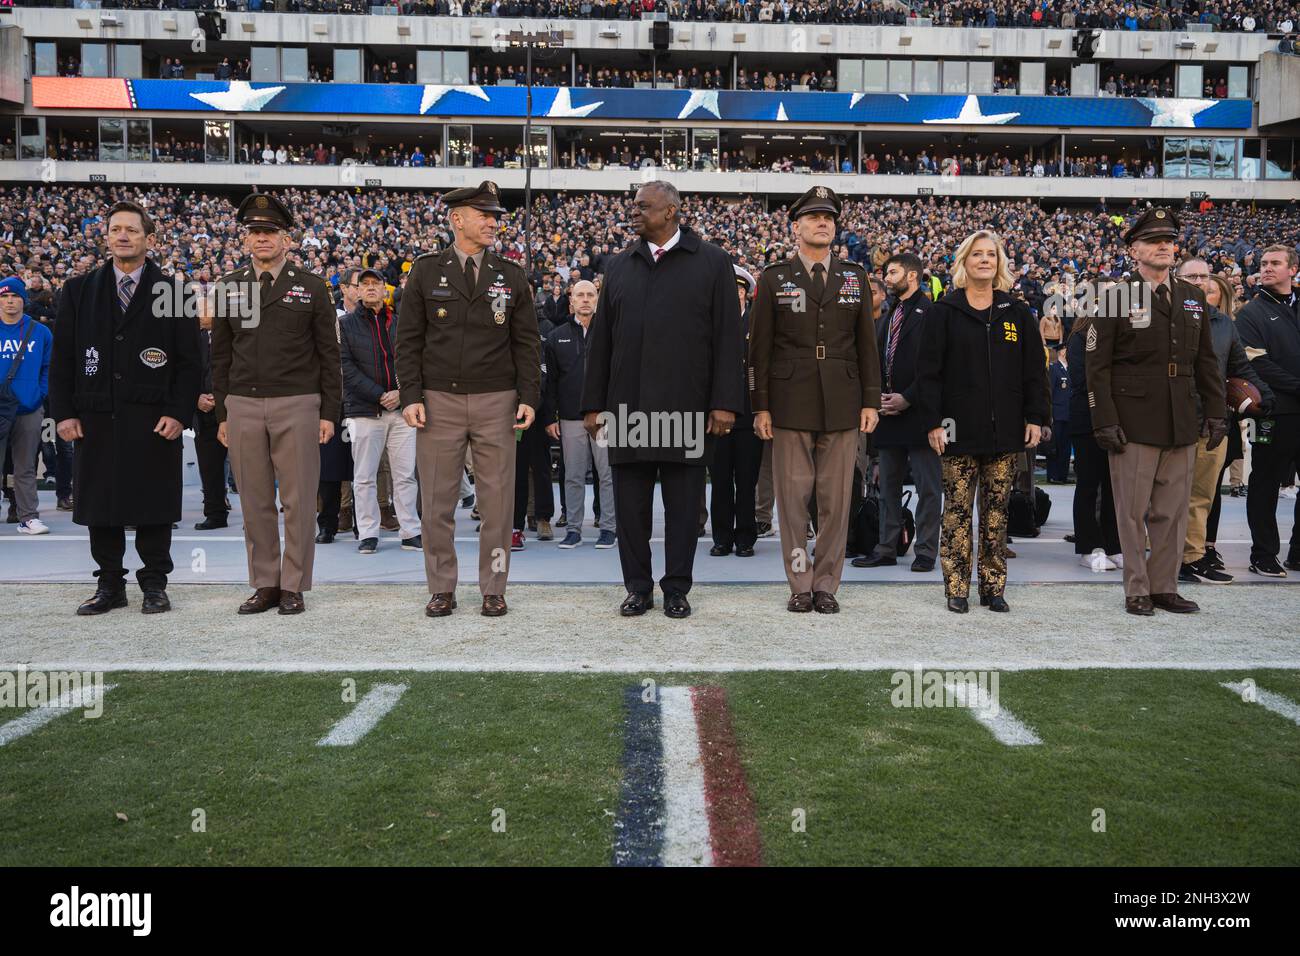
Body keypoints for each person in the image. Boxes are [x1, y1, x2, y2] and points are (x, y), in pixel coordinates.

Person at [580, 180, 743, 619]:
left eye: (642, 206)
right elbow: (601, 343)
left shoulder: (712, 262)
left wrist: (725, 402)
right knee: (631, 509)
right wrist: (593, 405)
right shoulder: (617, 266)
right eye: (633, 206)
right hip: (628, 409)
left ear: (671, 211)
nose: (633, 212)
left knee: (684, 508)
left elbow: (729, 339)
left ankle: (676, 588)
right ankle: (637, 588)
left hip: (687, 408)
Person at [395, 181, 539, 618]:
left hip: (497, 401)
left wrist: (529, 396)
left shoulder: (511, 276)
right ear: (457, 219)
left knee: (497, 503)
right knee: (437, 503)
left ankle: (493, 587)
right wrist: (411, 395)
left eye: (495, 216)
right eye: (485, 215)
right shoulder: (424, 271)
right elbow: (408, 341)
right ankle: (442, 587)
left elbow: (527, 343)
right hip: (439, 402)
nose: (494, 222)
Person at [49, 200, 200, 614]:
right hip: (95, 416)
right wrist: (63, 413)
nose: (122, 236)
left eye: (131, 230)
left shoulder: (174, 291)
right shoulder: (79, 291)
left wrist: (178, 412)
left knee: (153, 503)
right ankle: (109, 585)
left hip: (153, 418)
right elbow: (62, 358)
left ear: (149, 239)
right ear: (107, 237)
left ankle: (154, 583)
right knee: (101, 503)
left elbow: (190, 363)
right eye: (116, 229)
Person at [1085, 207, 1225, 615]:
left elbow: (1206, 363)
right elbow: (1097, 367)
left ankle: (1164, 586)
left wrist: (1216, 411)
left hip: (1181, 418)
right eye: (1153, 240)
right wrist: (1104, 418)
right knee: (1131, 513)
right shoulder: (1114, 297)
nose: (1164, 246)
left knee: (1172, 512)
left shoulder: (1192, 296)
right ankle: (1137, 589)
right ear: (1134, 249)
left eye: (1169, 240)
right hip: (1132, 421)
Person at [749, 186, 881, 613]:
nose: (823, 222)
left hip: (843, 400)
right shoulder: (773, 277)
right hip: (789, 401)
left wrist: (871, 401)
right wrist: (761, 406)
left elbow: (867, 345)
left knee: (835, 500)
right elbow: (760, 350)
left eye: (829, 217)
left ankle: (826, 584)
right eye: (814, 217)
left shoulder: (853, 276)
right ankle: (799, 583)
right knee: (791, 502)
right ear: (797, 226)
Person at [211, 192, 341, 616]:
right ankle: (265, 582)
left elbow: (329, 356)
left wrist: (328, 412)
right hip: (243, 404)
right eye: (254, 232)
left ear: (287, 239)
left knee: (300, 500)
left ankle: (294, 584)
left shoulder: (312, 286)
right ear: (246, 240)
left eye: (270, 232)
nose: (262, 238)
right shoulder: (229, 286)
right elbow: (221, 356)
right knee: (254, 500)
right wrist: (223, 413)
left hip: (298, 402)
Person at [916, 230, 1048, 614]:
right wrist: (934, 423)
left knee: (996, 515)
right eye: (977, 254)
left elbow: (1033, 373)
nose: (985, 260)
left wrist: (1036, 418)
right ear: (964, 262)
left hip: (1005, 433)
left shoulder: (1017, 313)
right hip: (956, 431)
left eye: (991, 254)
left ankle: (993, 587)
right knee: (956, 512)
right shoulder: (943, 312)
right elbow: (928, 374)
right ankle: (956, 587)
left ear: (1000, 263)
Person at [1175, 265, 1272, 585]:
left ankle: (1190, 558)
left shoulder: (1224, 325)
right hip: (1169, 422)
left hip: (1210, 422)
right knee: (1163, 497)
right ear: (1177, 280)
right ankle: (1163, 556)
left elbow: (1240, 368)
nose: (1199, 282)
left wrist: (1265, 395)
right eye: (1191, 277)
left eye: (1204, 277)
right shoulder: (1164, 317)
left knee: (1201, 496)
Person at [853, 252, 938, 573]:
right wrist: (879, 398)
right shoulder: (890, 314)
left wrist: (908, 398)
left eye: (892, 272)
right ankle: (886, 546)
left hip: (919, 414)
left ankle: (926, 550)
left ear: (912, 276)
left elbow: (934, 366)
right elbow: (879, 361)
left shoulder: (930, 312)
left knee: (929, 488)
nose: (886, 278)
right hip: (888, 413)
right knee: (886, 486)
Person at [341, 267, 420, 554]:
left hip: (401, 409)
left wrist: (402, 394)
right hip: (364, 410)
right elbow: (345, 368)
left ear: (385, 289)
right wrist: (379, 394)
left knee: (405, 474)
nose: (371, 288)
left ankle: (410, 530)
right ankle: (368, 532)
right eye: (365, 284)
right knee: (364, 476)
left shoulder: (399, 322)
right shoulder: (346, 325)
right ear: (358, 291)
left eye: (376, 283)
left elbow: (414, 361)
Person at [1235, 244, 1300, 576]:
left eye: (1276, 263)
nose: (1268, 268)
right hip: (1274, 411)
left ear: (1293, 268)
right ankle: (1263, 553)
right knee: (1264, 485)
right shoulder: (1251, 312)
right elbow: (1257, 362)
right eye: (1263, 263)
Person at [545, 279, 615, 550]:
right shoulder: (556, 336)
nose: (585, 299)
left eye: (590, 295)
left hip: (605, 417)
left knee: (607, 474)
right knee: (572, 475)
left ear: (597, 299)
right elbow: (550, 382)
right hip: (571, 417)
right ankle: (573, 529)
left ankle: (608, 528)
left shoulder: (611, 332)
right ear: (571, 300)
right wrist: (550, 417)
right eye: (580, 295)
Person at [709, 265, 762, 558]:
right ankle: (722, 538)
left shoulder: (755, 325)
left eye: (738, 291)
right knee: (719, 482)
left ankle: (745, 537)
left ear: (745, 294)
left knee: (745, 481)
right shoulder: (712, 325)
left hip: (748, 415)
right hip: (717, 416)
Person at [1066, 306, 1122, 571]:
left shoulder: (1124, 331)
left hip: (1119, 419)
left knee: (1114, 486)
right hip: (1087, 418)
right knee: (1089, 483)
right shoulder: (1079, 335)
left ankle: (1114, 544)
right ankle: (1088, 546)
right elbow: (1081, 379)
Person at [0, 276, 53, 536]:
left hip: (29, 406)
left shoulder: (41, 332)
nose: (10, 301)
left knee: (25, 466)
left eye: (15, 296)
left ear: (24, 299)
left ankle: (28, 517)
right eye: (5, 296)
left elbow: (48, 368)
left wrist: (39, 394)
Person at [193, 293, 229, 530]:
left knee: (246, 469)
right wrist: (196, 398)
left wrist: (220, 398)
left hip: (232, 410)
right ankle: (215, 513)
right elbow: (184, 370)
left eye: (202, 309)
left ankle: (254, 517)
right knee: (209, 467)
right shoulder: (192, 338)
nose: (198, 314)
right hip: (203, 413)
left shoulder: (233, 336)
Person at [1045, 344, 1072, 482]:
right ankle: (1053, 475)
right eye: (1067, 349)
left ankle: (1063, 475)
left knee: (1066, 447)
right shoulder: (1054, 369)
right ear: (1061, 352)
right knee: (1055, 446)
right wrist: (1050, 415)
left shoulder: (1071, 369)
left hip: (1069, 414)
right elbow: (1050, 392)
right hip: (1057, 413)